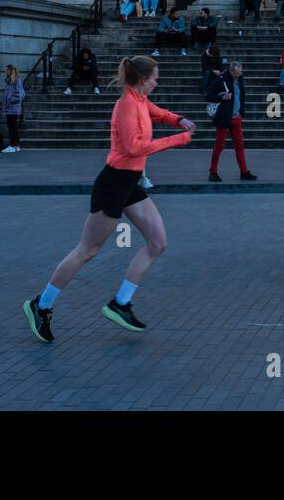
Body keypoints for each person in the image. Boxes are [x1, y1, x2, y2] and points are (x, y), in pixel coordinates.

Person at [23, 56, 194, 343]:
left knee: (158, 242)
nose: (157, 81)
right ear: (142, 80)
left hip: (129, 184)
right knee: (87, 251)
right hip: (113, 183)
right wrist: (178, 139)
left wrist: (178, 119)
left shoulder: (140, 101)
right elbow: (133, 147)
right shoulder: (127, 105)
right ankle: (41, 305)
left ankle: (121, 303)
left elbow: (157, 112)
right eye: (154, 77)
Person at [205, 61, 257, 182]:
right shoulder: (221, 79)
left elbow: (242, 96)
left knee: (240, 145)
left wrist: (241, 113)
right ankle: (213, 172)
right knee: (219, 145)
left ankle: (244, 171)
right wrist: (222, 97)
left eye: (240, 73)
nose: (238, 76)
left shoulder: (240, 79)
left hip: (236, 117)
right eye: (236, 74)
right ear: (231, 71)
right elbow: (209, 95)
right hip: (224, 117)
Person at [2, 64, 26, 153]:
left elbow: (21, 95)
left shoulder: (16, 81)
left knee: (12, 127)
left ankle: (13, 145)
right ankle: (16, 145)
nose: (5, 72)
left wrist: (10, 100)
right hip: (10, 108)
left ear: (11, 71)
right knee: (12, 127)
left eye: (6, 70)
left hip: (13, 108)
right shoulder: (9, 81)